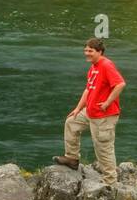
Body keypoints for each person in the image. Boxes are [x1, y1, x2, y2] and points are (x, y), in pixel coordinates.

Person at [54, 38, 125, 184]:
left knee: (103, 150)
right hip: (90, 112)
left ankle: (110, 184)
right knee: (71, 123)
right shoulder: (94, 67)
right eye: (85, 50)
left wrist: (107, 103)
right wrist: (78, 108)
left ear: (100, 52)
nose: (87, 53)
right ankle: (72, 158)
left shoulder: (106, 65)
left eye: (90, 51)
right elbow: (88, 89)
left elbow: (120, 84)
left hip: (104, 116)